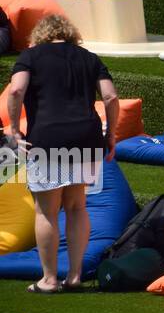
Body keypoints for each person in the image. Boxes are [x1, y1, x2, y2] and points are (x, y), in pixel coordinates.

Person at [4, 15, 116, 294]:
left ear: (41, 34)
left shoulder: (30, 56)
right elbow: (111, 97)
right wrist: (110, 134)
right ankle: (75, 276)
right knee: (77, 206)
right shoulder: (90, 58)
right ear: (70, 34)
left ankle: (49, 279)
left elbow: (16, 89)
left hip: (48, 137)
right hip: (87, 137)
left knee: (47, 210)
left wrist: (16, 130)